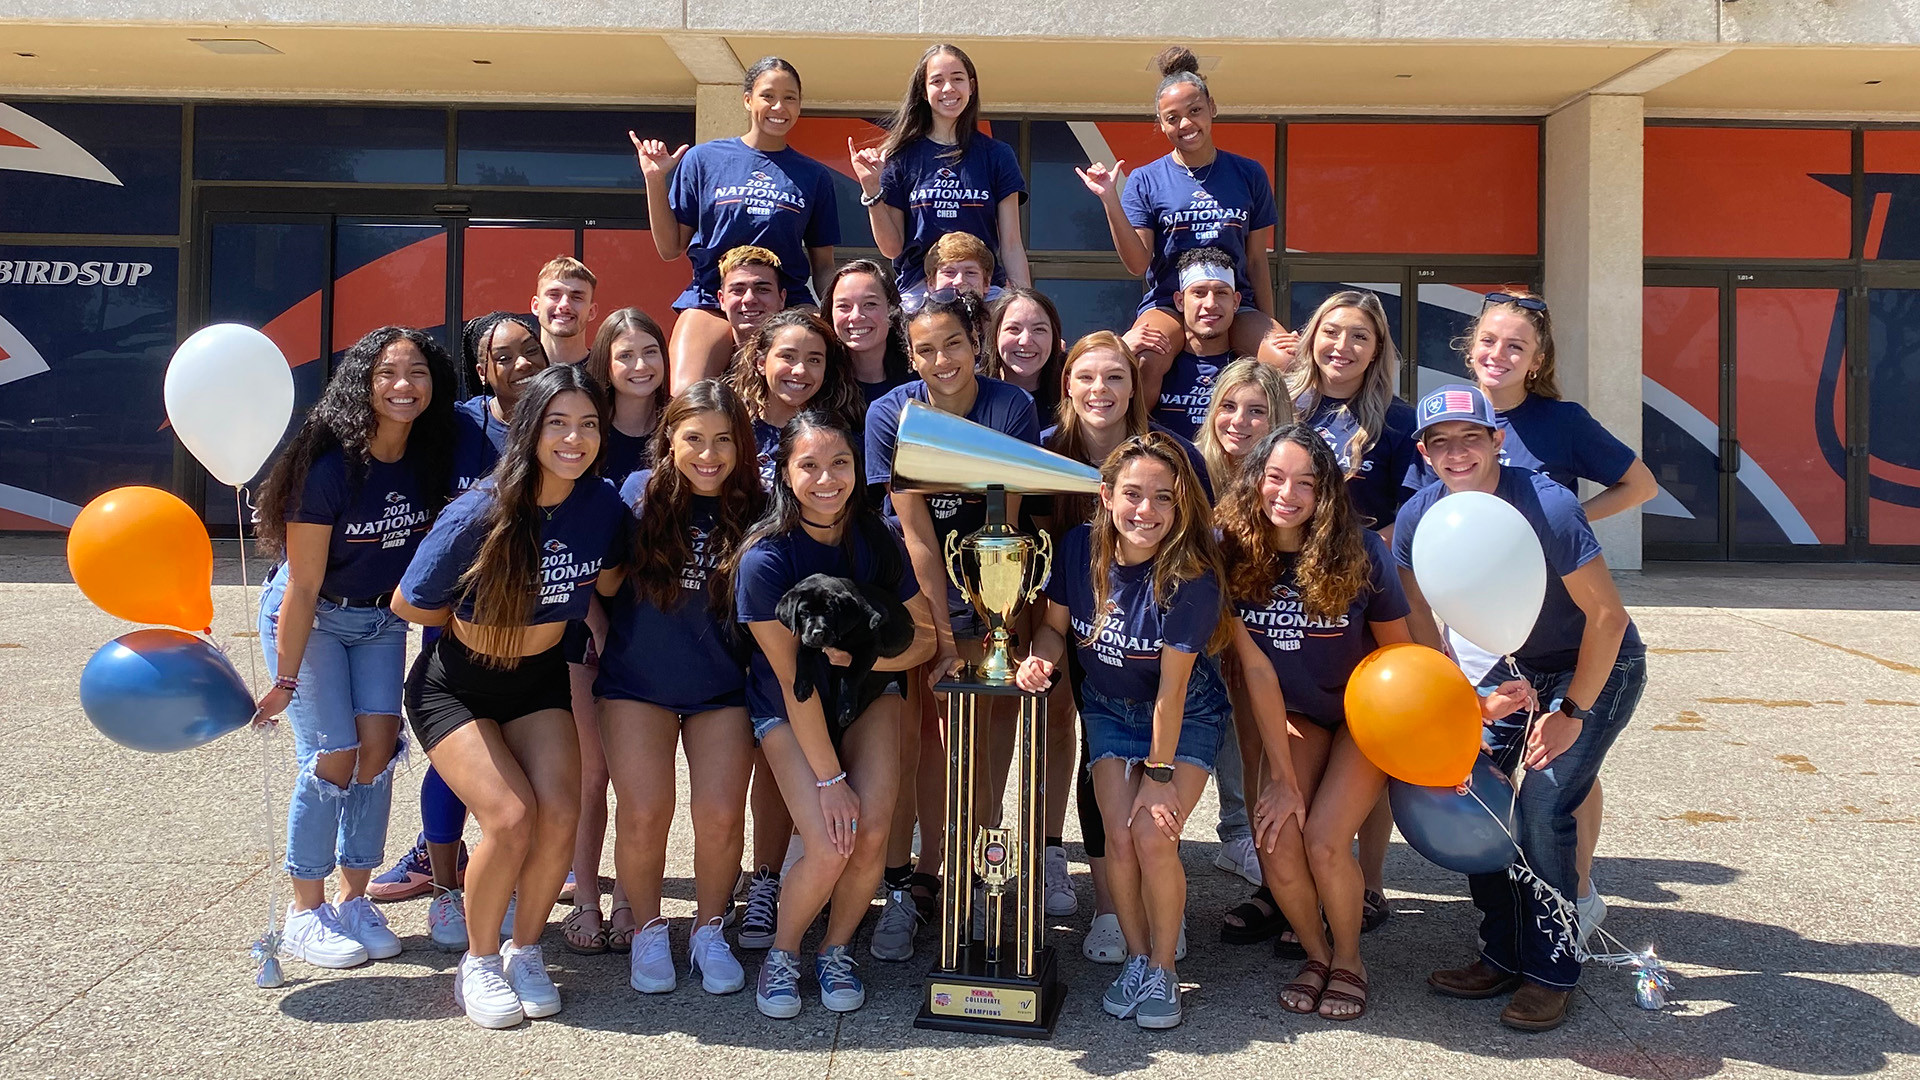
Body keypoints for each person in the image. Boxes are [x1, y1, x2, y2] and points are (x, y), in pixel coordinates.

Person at [1014, 433, 1285, 1030]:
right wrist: (1041, 659)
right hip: (1109, 708)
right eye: (1132, 494)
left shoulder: (1192, 576)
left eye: (1163, 498)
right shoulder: (1077, 547)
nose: (1147, 511)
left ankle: (1164, 969)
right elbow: (1056, 629)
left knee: (1154, 835)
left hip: (1183, 715)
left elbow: (1174, 690)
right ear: (1106, 495)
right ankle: (1137, 958)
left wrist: (1159, 777)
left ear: (1181, 503)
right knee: (1119, 835)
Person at [1396, 385, 1645, 1033]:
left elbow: (1608, 618)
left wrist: (1571, 714)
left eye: (1470, 438)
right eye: (1440, 441)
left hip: (1596, 664)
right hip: (1510, 670)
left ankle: (1552, 971)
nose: (1456, 453)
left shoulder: (1550, 505)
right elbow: (1420, 614)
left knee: (1541, 806)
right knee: (1477, 792)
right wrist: (1465, 698)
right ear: (1423, 452)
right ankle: (1502, 952)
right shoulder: (1420, 516)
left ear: (1497, 441)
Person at [393, 364, 629, 1028]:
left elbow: (608, 580)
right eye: (558, 423)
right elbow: (409, 601)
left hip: (539, 681)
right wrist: (483, 618)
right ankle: (480, 959)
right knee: (509, 817)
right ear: (530, 430)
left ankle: (527, 951)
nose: (574, 439)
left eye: (588, 425)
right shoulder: (481, 508)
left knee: (560, 812)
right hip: (456, 685)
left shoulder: (602, 504)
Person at [1435, 289, 1658, 935]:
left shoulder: (1562, 423)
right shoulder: (1452, 426)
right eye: (1488, 342)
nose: (1498, 355)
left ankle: (1579, 897)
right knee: (1500, 780)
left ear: (1536, 360)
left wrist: (1566, 525)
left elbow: (1640, 483)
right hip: (1500, 645)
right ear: (1470, 348)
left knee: (1561, 779)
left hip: (1577, 636)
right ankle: (1514, 920)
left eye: (1516, 346)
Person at [252, 325, 457, 969]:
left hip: (378, 622)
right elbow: (304, 584)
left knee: (378, 750)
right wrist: (284, 681)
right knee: (331, 756)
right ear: (362, 384)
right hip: (312, 618)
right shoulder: (331, 464)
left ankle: (352, 899)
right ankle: (303, 913)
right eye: (388, 374)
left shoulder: (428, 456)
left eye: (417, 372)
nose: (404, 386)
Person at [1216, 424, 1426, 1021]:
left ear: (1326, 491)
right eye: (1276, 477)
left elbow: (1399, 654)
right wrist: (1281, 778)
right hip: (1297, 716)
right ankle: (1316, 952)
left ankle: (1350, 961)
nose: (1288, 493)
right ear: (1255, 477)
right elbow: (1254, 670)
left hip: (1365, 715)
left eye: (1306, 483)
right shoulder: (1228, 551)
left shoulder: (1362, 553)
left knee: (1326, 840)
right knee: (1276, 839)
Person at [734, 410, 937, 1018]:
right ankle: (784, 953)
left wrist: (862, 659)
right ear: (785, 474)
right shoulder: (764, 560)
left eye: (841, 463)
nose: (827, 478)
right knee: (828, 841)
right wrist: (829, 781)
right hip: (790, 708)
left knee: (871, 830)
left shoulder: (877, 540)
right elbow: (794, 680)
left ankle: (836, 949)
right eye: (810, 465)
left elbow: (923, 640)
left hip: (871, 694)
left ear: (857, 467)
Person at [863, 291, 1041, 963]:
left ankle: (981, 876)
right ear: (911, 355)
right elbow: (914, 535)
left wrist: (993, 627)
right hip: (915, 591)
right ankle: (920, 882)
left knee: (991, 739)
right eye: (925, 349)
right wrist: (937, 635)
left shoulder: (1011, 407)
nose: (942, 360)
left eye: (954, 345)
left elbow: (1009, 525)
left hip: (994, 588)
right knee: (930, 743)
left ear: (978, 344)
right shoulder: (891, 414)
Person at [369, 312, 548, 937]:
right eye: (505, 357)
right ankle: (445, 882)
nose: (522, 364)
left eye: (532, 351)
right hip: (454, 623)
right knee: (456, 755)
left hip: (544, 627)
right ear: (482, 370)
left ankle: (517, 871)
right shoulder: (457, 425)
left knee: (525, 768)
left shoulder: (565, 421)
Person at [1033, 332, 1208, 960]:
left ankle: (1154, 911)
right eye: (1086, 377)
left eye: (1115, 377)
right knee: (1098, 763)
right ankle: (1113, 906)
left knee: (1154, 791)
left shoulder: (1176, 457)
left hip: (1160, 631)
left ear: (1136, 386)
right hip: (1078, 623)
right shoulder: (1044, 452)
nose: (1099, 390)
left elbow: (1197, 548)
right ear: (1067, 386)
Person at [595, 380, 765, 995]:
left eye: (724, 440)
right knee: (644, 813)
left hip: (720, 688)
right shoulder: (637, 497)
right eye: (694, 438)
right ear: (670, 438)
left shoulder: (758, 505)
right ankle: (646, 930)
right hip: (637, 684)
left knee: (720, 816)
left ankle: (709, 930)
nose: (709, 454)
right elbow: (601, 583)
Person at [1285, 289, 1420, 933]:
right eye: (1332, 332)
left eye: (1359, 336)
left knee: (1371, 732)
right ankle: (1292, 881)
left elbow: (1404, 517)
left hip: (1368, 594)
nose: (1342, 347)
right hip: (1286, 596)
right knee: (1294, 740)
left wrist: (1353, 564)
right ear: (1312, 337)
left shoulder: (1398, 421)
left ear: (1378, 351)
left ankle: (1368, 882)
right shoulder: (1287, 406)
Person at [555, 306, 671, 955]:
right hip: (587, 625)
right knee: (590, 771)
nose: (639, 367)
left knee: (637, 779)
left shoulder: (680, 430)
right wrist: (594, 619)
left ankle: (630, 898)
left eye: (649, 353)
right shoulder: (584, 434)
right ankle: (588, 900)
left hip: (654, 633)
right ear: (605, 362)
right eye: (625, 355)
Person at [1076, 46, 1294, 386]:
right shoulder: (1146, 179)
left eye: (1195, 111)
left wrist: (1268, 322)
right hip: (1168, 304)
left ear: (1212, 109)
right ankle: (1138, 440)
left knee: (1288, 360)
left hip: (1233, 303)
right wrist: (1109, 200)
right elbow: (1138, 264)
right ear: (1161, 124)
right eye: (1173, 118)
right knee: (1144, 362)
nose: (1186, 124)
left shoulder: (1248, 173)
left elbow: (1255, 261)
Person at [634, 56, 840, 391]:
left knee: (822, 386)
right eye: (768, 95)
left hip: (787, 302)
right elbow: (670, 248)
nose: (779, 106)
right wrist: (655, 179)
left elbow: (824, 265)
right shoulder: (703, 159)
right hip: (711, 299)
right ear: (748, 100)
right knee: (686, 397)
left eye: (790, 98)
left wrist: (834, 313)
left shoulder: (814, 176)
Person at [1188, 358, 1293, 902]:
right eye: (1228, 407)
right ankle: (1234, 830)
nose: (1240, 421)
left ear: (1277, 415)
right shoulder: (1192, 467)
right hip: (1198, 621)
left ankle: (1245, 831)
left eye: (1256, 410)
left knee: (1251, 724)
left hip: (1266, 622)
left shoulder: (1288, 471)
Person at [849, 43, 1028, 311]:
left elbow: (1012, 244)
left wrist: (1025, 304)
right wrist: (872, 187)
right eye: (937, 81)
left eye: (957, 78)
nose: (948, 89)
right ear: (923, 91)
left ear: (972, 86)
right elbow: (892, 248)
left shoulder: (997, 155)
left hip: (984, 292)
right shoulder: (900, 156)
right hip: (919, 293)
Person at [733, 308, 867, 490]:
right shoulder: (733, 431)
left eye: (814, 360)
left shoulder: (841, 440)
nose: (800, 370)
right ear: (761, 363)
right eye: (788, 357)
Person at [1148, 248, 1241, 436]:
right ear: (1180, 301)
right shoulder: (1157, 364)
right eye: (1199, 293)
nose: (1210, 304)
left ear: (1236, 302)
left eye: (1221, 293)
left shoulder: (1249, 368)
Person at [825, 259, 913, 406]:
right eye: (844, 306)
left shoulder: (919, 381)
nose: (856, 316)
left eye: (870, 304)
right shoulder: (819, 383)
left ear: (892, 309)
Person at [983, 286, 1067, 420]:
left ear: (1054, 338)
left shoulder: (1074, 396)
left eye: (1039, 329)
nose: (1026, 341)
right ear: (995, 335)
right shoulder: (972, 393)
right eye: (1013, 329)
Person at [531, 256, 597, 367]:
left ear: (591, 311)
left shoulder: (606, 376)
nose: (564, 305)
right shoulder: (519, 374)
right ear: (536, 306)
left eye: (576, 297)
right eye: (554, 295)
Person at [916, 231, 1001, 311]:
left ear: (986, 283)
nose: (959, 281)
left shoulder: (1002, 323)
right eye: (949, 272)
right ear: (931, 283)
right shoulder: (915, 324)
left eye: (970, 273)